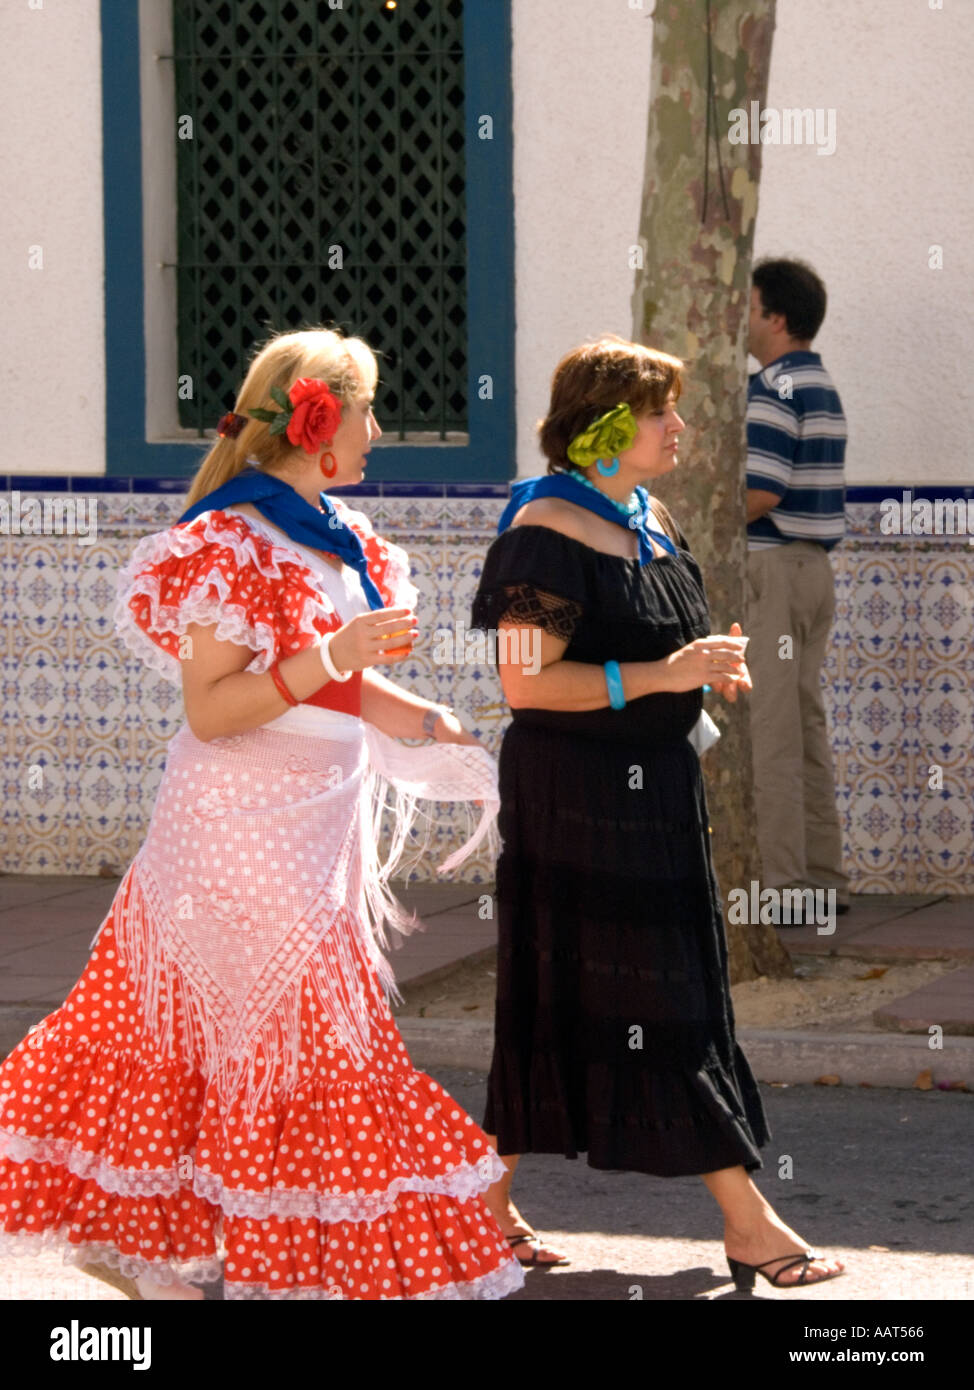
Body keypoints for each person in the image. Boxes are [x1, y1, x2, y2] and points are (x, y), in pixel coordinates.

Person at [0, 327, 524, 1302]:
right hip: (232, 832)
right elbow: (215, 706)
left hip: (310, 828)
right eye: (366, 410)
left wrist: (423, 717)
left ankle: (155, 1255)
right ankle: (214, 1258)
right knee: (279, 1041)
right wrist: (339, 654)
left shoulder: (339, 539)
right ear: (319, 424)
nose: (378, 428)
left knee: (240, 1046)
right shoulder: (227, 539)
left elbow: (341, 690)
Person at [470, 334, 845, 1289]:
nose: (681, 425)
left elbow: (658, 640)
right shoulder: (544, 528)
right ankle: (749, 1222)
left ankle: (480, 1208)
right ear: (601, 426)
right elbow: (526, 686)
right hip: (575, 801)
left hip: (654, 796)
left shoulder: (646, 513)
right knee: (651, 999)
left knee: (587, 998)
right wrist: (664, 675)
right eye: (659, 411)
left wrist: (705, 668)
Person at [745, 258, 850, 917]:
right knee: (803, 726)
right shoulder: (821, 384)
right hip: (813, 571)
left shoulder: (773, 388)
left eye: (747, 307)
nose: (740, 320)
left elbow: (761, 489)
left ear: (775, 318)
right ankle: (822, 881)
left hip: (773, 571)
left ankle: (782, 890)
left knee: (770, 731)